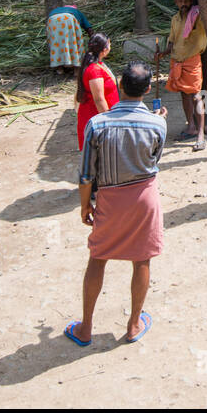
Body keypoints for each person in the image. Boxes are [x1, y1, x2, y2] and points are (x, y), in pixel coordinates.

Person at [64, 62, 168, 347]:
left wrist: (85, 205)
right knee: (142, 259)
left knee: (98, 257)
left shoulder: (97, 124)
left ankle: (85, 328)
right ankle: (134, 323)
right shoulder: (159, 123)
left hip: (109, 198)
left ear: (120, 87)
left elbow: (86, 174)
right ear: (148, 90)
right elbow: (154, 160)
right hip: (144, 198)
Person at [154, 0, 207, 151]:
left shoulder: (197, 17)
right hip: (177, 62)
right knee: (184, 95)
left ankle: (201, 134)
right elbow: (172, 41)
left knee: (197, 96)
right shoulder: (175, 19)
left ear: (191, 1)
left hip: (192, 62)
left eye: (186, 1)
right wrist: (162, 53)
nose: (183, 4)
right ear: (176, 2)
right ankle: (190, 126)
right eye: (180, 1)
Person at [76, 32, 118, 150]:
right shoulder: (94, 71)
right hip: (97, 117)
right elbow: (99, 99)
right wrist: (109, 121)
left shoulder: (98, 65)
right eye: (109, 45)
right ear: (104, 50)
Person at [47, 4, 91, 75]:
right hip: (69, 18)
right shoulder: (76, 12)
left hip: (52, 19)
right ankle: (77, 68)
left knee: (56, 43)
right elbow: (89, 28)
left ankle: (59, 68)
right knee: (75, 42)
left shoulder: (57, 10)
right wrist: (93, 39)